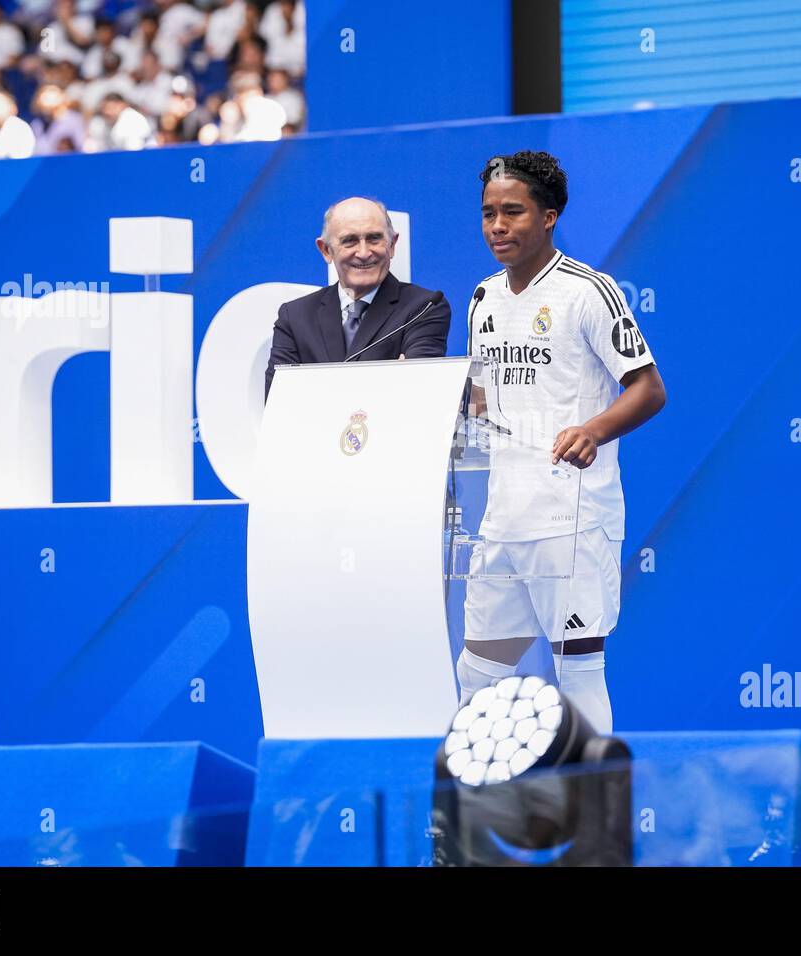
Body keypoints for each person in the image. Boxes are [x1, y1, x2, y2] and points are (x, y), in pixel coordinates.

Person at [457, 150, 666, 734]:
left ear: (548, 217)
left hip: (572, 517)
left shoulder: (588, 291)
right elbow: (485, 399)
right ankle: (491, 803)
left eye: (513, 213)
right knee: (478, 672)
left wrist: (593, 430)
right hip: (503, 518)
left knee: (577, 672)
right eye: (488, 214)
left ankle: (597, 813)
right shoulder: (481, 299)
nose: (498, 226)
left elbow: (648, 389)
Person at [265, 196, 451, 397]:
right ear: (326, 250)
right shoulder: (295, 316)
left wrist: (315, 393)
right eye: (349, 241)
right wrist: (390, 381)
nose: (363, 253)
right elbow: (279, 405)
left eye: (374, 238)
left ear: (392, 244)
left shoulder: (424, 308)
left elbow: (416, 395)